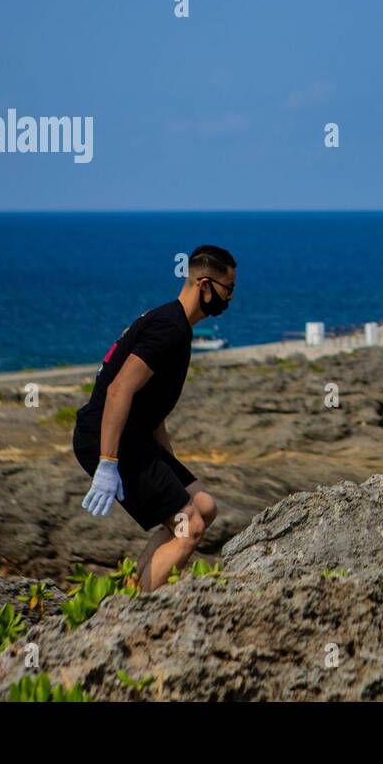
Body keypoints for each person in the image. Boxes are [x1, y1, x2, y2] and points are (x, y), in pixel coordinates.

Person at [73, 245, 236, 593]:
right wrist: (107, 463)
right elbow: (119, 391)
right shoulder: (169, 328)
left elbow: (153, 413)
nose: (229, 300)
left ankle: (137, 587)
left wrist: (171, 470)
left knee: (203, 506)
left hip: (136, 437)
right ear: (205, 285)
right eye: (228, 291)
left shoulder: (176, 325)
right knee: (188, 528)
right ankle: (133, 614)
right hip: (108, 437)